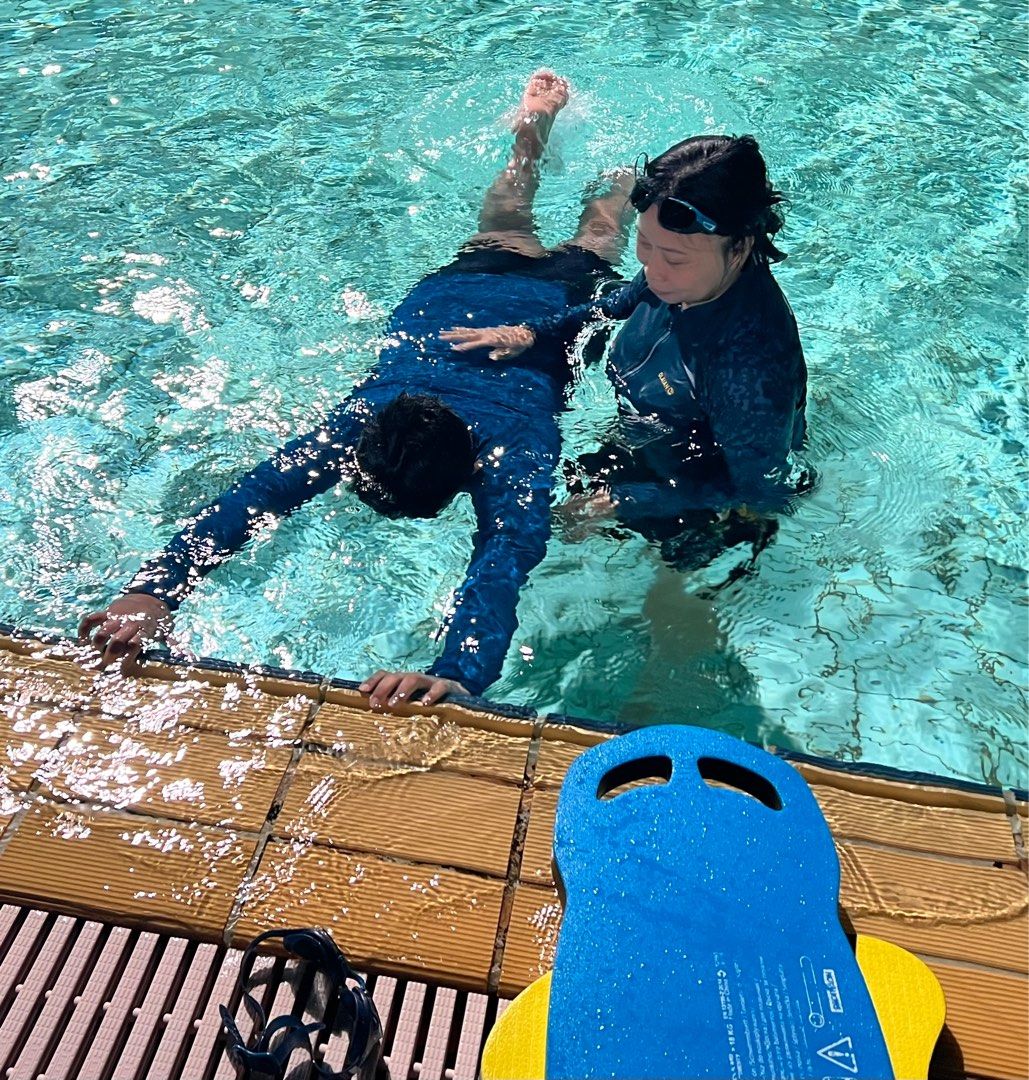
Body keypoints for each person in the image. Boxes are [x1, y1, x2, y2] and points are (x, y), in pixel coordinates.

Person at [80, 71, 634, 708]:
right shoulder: (402, 426)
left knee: (555, 231)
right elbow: (500, 560)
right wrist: (154, 589)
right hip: (475, 306)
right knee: (543, 229)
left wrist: (159, 588)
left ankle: (564, 156)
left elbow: (260, 497)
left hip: (506, 305)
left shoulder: (483, 440)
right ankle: (603, 171)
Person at [442, 135, 809, 572]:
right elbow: (612, 304)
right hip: (647, 433)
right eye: (645, 245)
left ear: (741, 247)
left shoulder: (747, 369)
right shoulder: (684, 271)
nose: (652, 271)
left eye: (672, 257)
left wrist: (622, 501)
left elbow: (760, 492)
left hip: (691, 483)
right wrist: (531, 333)